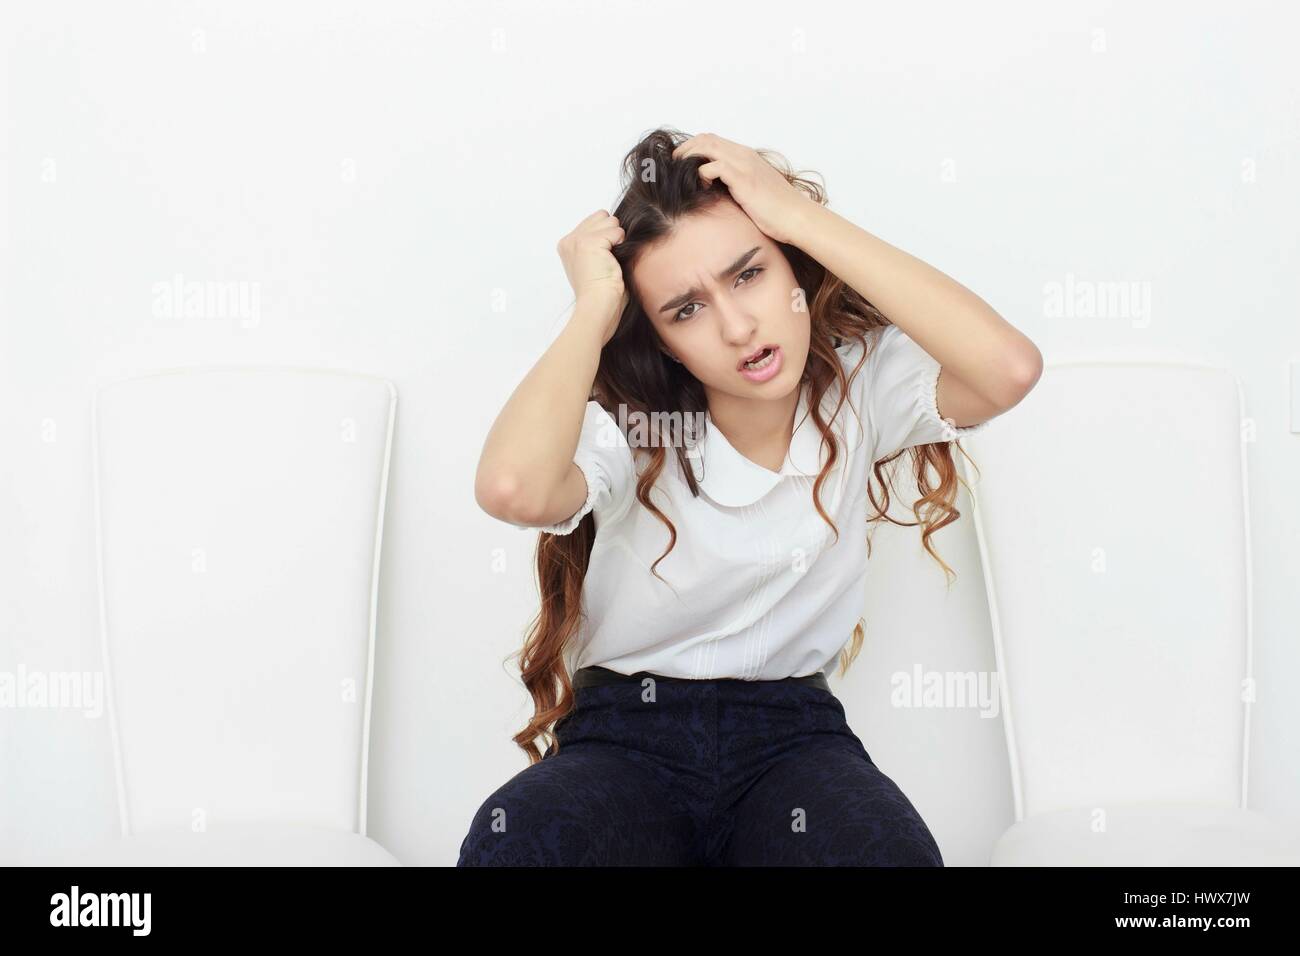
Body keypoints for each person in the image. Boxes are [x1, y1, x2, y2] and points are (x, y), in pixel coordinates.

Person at [459, 128, 1042, 866]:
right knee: (525, 840)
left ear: (792, 267)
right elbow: (513, 488)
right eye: (686, 310)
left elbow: (1010, 369)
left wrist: (794, 215)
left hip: (790, 743)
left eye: (749, 274)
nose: (739, 327)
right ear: (664, 341)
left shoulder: (861, 388)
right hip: (625, 743)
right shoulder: (636, 425)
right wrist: (594, 306)